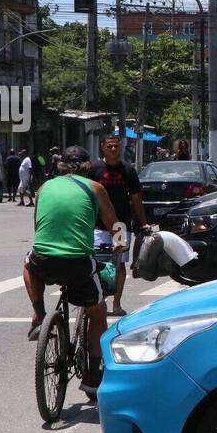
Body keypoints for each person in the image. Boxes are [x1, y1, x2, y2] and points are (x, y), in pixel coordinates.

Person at [22, 146, 124, 394]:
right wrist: (120, 246)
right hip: (79, 262)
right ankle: (92, 377)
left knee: (28, 264)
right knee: (98, 314)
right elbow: (114, 224)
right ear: (88, 166)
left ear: (59, 165)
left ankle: (38, 315)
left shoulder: (43, 188)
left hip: (44, 259)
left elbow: (38, 226)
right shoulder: (95, 188)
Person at [89, 134, 147, 317]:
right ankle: (101, 302)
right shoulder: (94, 169)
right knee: (99, 264)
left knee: (119, 264)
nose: (113, 149)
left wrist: (143, 223)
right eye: (110, 146)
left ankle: (116, 303)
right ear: (103, 148)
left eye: (116, 146)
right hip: (98, 226)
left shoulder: (128, 170)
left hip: (121, 226)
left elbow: (136, 198)